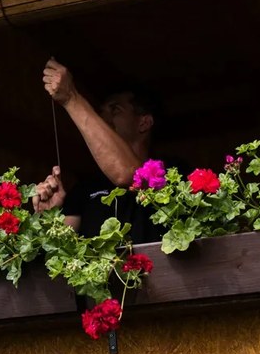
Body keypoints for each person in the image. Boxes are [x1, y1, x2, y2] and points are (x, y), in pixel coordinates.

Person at [33, 57, 165, 243]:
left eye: (115, 109)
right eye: (102, 111)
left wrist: (71, 98)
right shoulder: (85, 188)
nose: (103, 117)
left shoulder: (170, 172)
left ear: (144, 122)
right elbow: (60, 250)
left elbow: (129, 175)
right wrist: (48, 216)